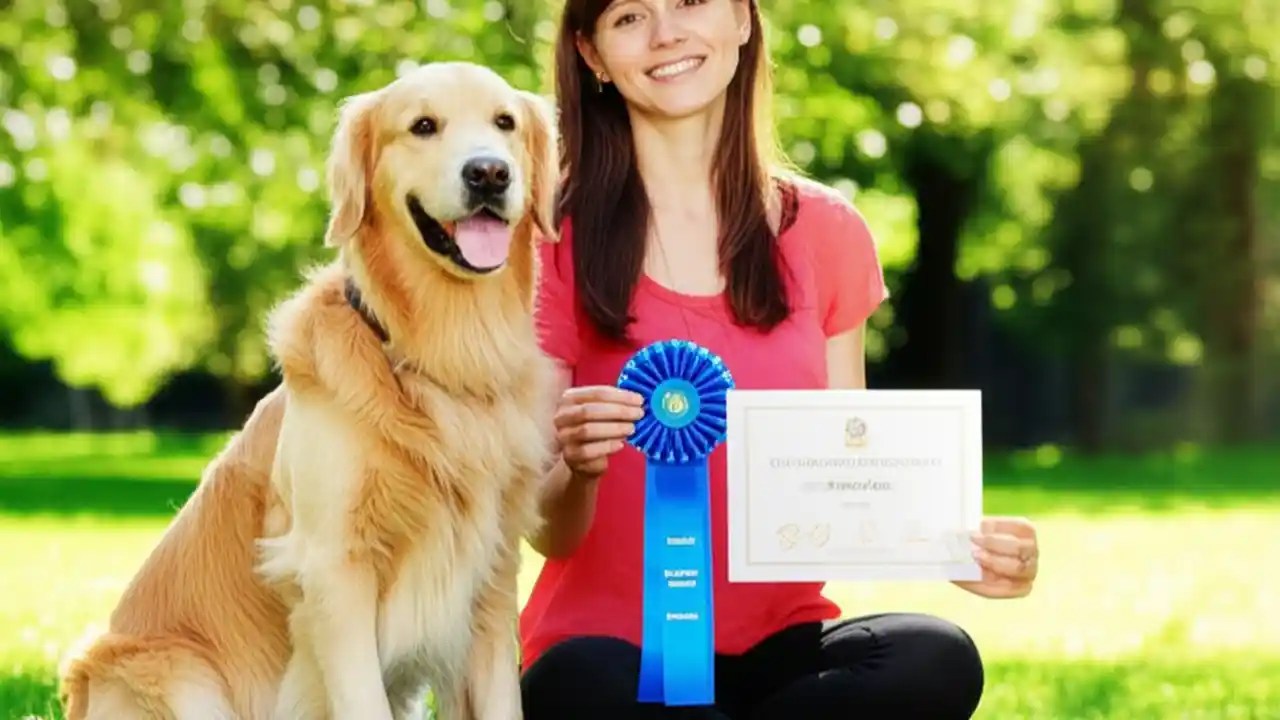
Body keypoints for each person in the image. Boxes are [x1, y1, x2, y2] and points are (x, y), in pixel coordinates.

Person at [518, 1, 1041, 717]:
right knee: (580, 681)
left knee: (935, 655)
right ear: (592, 53)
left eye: (691, 2)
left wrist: (955, 547)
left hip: (783, 649)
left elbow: (847, 470)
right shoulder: (545, 237)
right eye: (630, 16)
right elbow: (543, 526)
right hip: (612, 658)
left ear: (741, 19)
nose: (667, 32)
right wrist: (577, 468)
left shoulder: (826, 231)